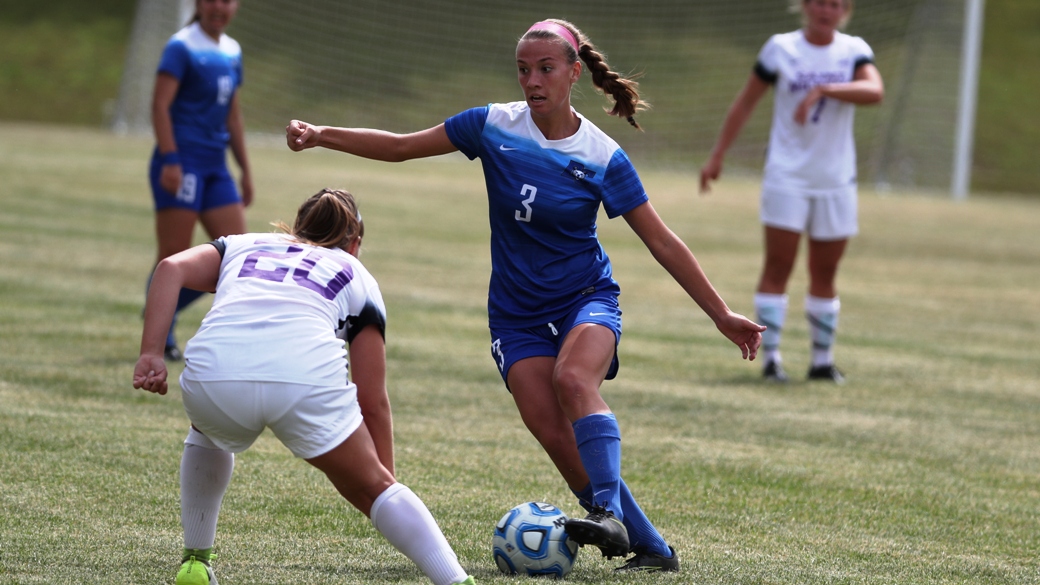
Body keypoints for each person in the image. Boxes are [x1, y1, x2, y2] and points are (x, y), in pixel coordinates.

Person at [286, 19, 764, 573]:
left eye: (545, 69)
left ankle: (608, 514)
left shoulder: (602, 156)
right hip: (515, 315)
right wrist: (321, 134)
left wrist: (720, 314)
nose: (532, 81)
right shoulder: (491, 125)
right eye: (523, 69)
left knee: (573, 381)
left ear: (574, 73)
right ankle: (652, 547)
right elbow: (400, 147)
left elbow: (661, 240)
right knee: (553, 433)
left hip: (585, 297)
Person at [133, 189, 476, 585]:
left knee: (207, 434)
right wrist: (384, 485)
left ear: (297, 226)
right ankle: (457, 581)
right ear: (355, 241)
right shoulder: (357, 273)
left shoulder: (241, 245)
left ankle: (195, 563)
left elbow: (170, 268)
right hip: (303, 379)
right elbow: (372, 399)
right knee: (377, 488)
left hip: (215, 372)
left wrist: (151, 354)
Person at [699, 0, 884, 384]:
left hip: (835, 179)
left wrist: (824, 89)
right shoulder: (780, 48)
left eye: (834, 4)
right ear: (804, 6)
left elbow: (874, 90)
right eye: (818, 2)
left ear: (845, 10)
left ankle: (822, 363)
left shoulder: (853, 50)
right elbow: (745, 103)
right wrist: (717, 154)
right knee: (778, 266)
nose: (825, 10)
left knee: (825, 271)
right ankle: (770, 361)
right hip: (787, 177)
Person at [148, 0, 254, 362]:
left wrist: (245, 169)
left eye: (226, 1)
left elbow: (233, 118)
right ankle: (161, 338)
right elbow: (159, 106)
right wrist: (171, 159)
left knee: (238, 257)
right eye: (211, 0)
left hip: (215, 166)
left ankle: (159, 304)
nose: (218, 7)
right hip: (182, 163)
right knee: (173, 257)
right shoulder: (182, 46)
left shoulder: (232, 50)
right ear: (199, 4)